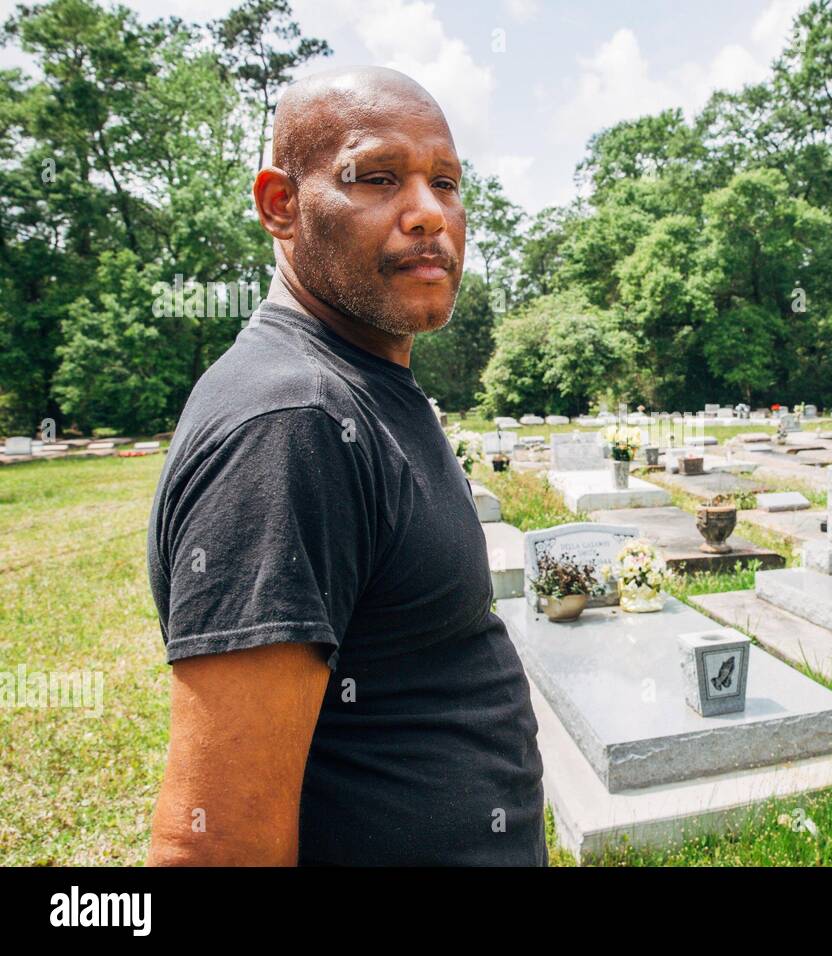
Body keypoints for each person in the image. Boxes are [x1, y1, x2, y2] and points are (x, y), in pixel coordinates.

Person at [145, 67, 546, 866]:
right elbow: (216, 847)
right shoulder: (291, 423)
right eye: (378, 177)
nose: (430, 213)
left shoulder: (366, 384)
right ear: (279, 205)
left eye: (446, 183)